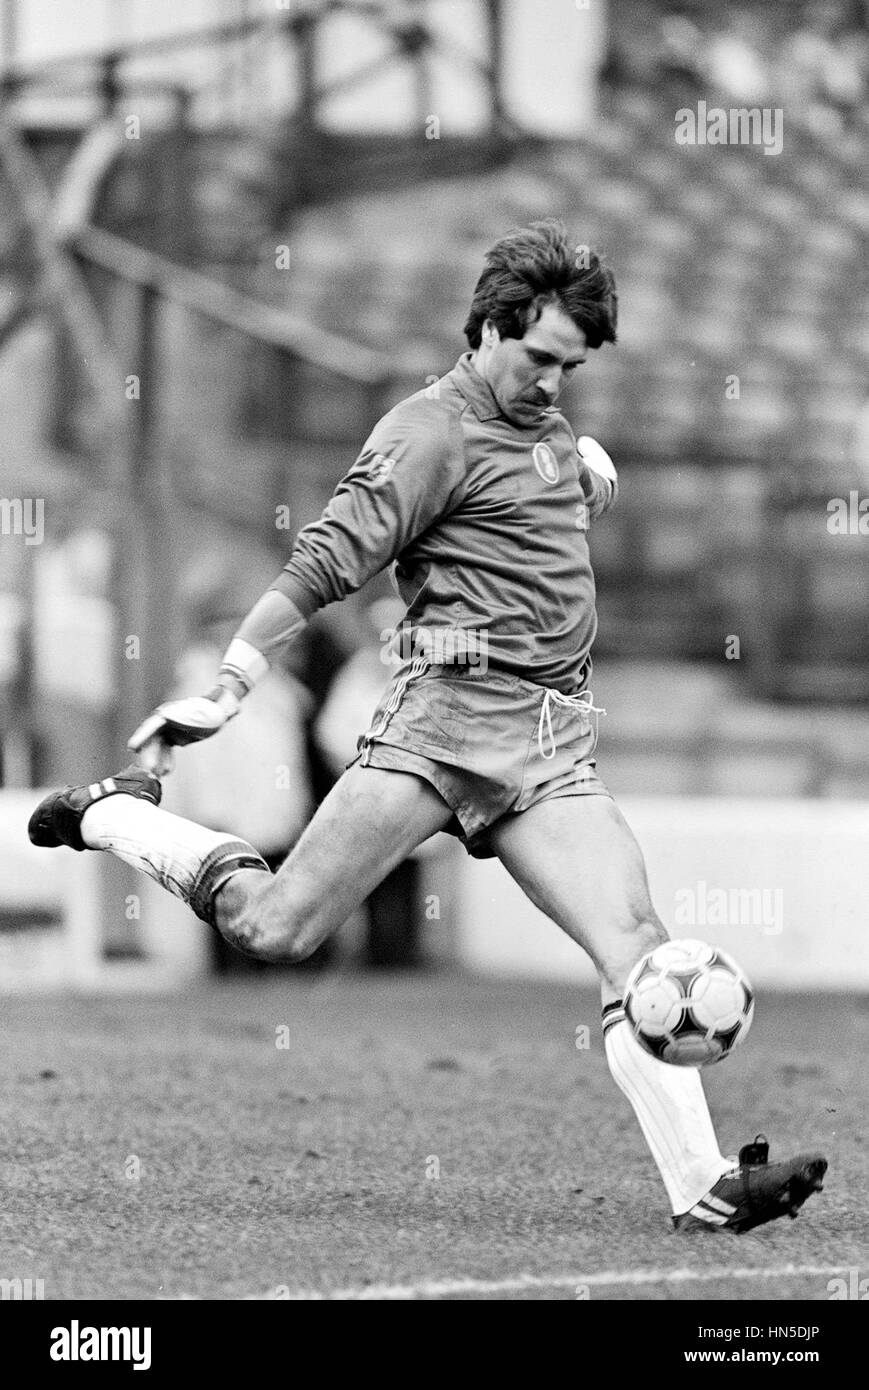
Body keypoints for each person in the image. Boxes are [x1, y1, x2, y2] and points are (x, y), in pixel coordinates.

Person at [29, 220, 826, 1233]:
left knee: (636, 947)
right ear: (488, 327)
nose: (551, 382)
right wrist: (230, 681)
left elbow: (530, 497)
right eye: (538, 359)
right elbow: (324, 559)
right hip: (437, 727)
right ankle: (113, 817)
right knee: (277, 928)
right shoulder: (424, 431)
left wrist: (579, 469)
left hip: (545, 741)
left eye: (569, 369)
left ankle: (702, 1187)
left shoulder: (545, 430)